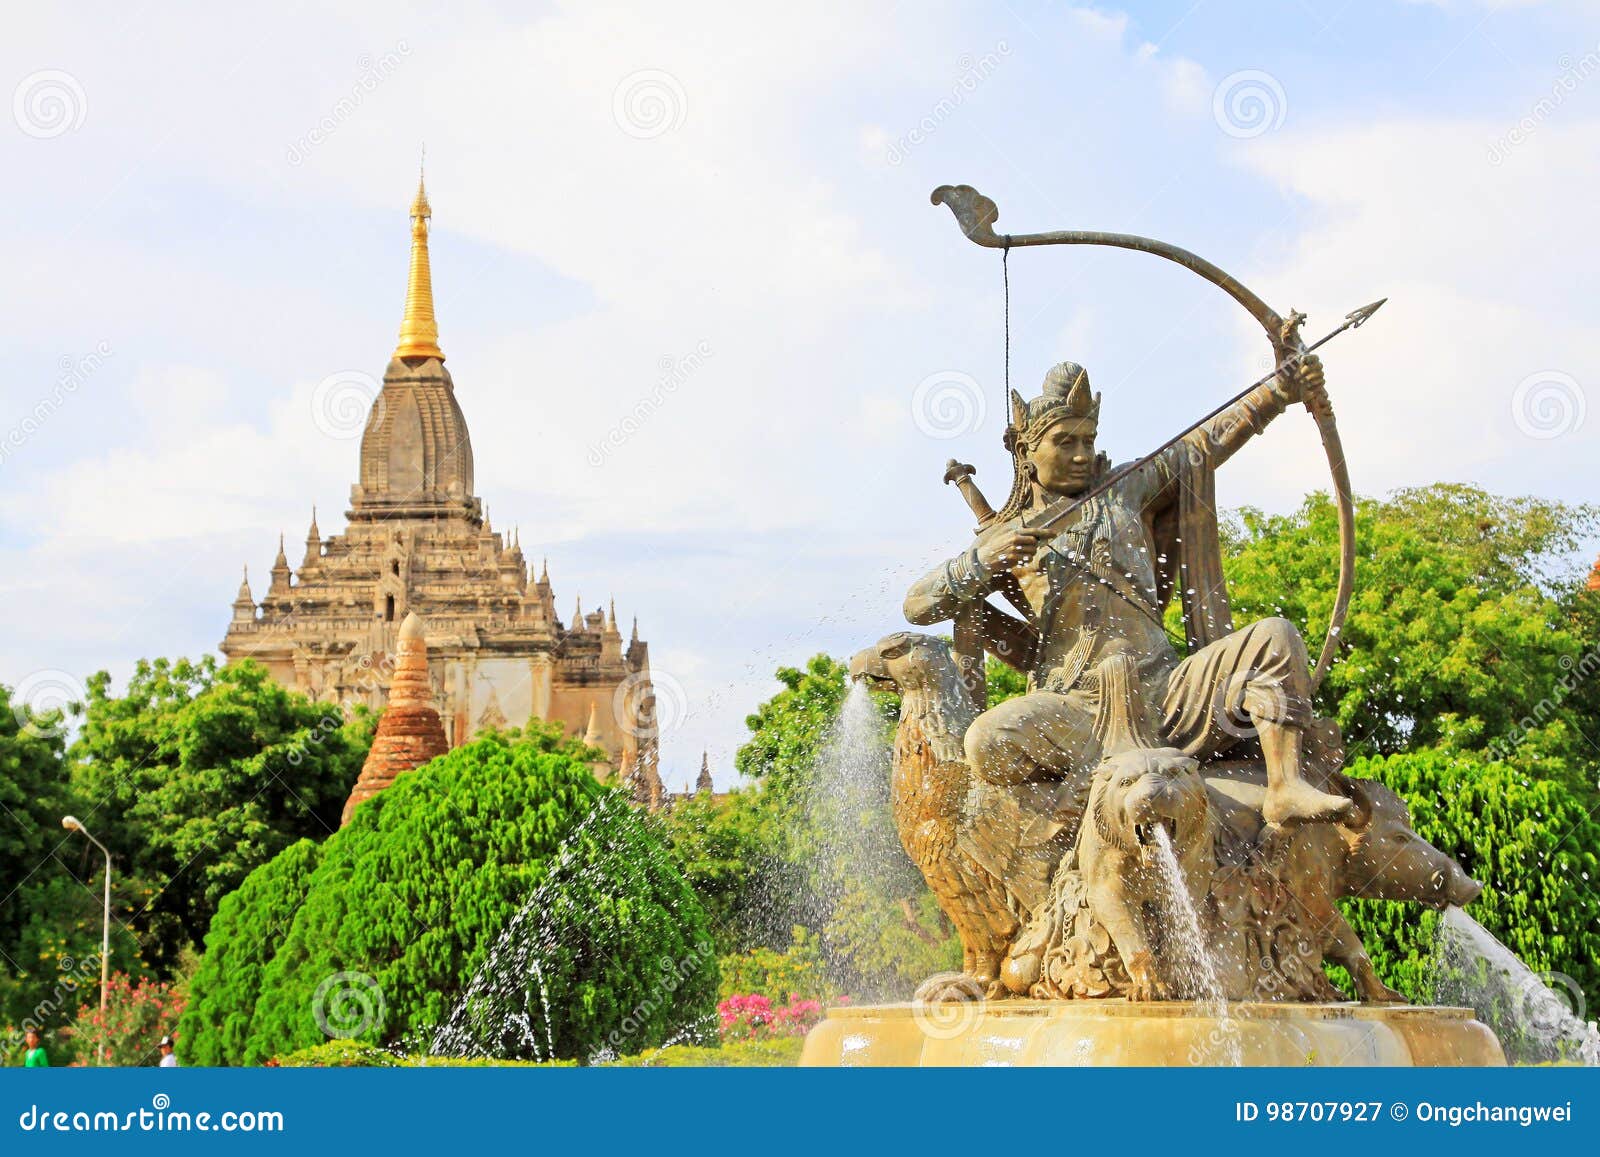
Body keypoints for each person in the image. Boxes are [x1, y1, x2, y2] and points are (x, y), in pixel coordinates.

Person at [904, 355, 1351, 825]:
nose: (1081, 454)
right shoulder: (1004, 536)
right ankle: (1075, 813)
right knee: (986, 741)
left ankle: (1286, 785)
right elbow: (916, 606)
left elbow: (1201, 446)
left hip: (1170, 694)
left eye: (1088, 440)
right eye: (1064, 442)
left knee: (1275, 637)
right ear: (1024, 450)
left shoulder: (1124, 488)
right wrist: (982, 561)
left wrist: (1279, 390)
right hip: (1080, 708)